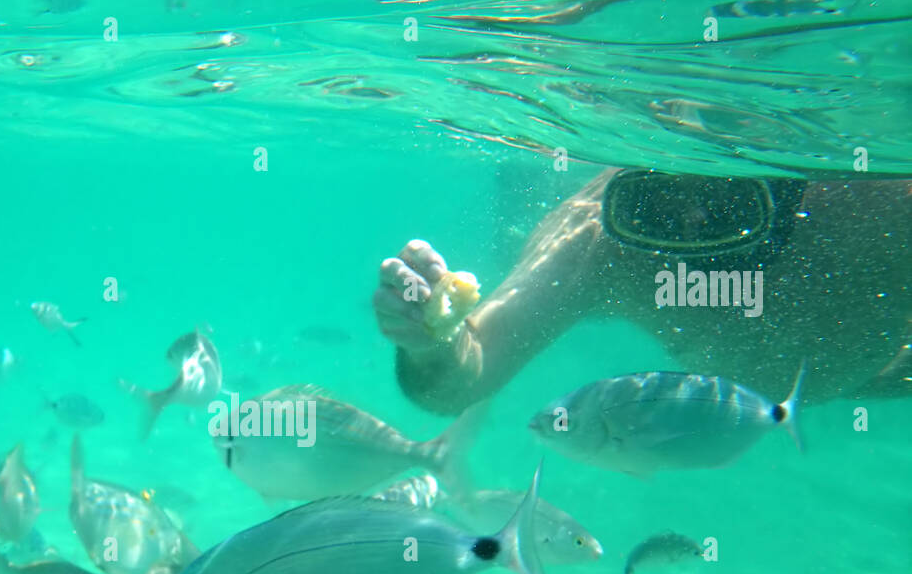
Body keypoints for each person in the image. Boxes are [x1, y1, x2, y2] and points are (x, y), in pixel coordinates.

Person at [374, 169, 912, 413]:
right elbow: (460, 383)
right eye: (663, 207)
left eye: (728, 202)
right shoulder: (599, 234)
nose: (694, 224)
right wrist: (433, 346)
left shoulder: (881, 190)